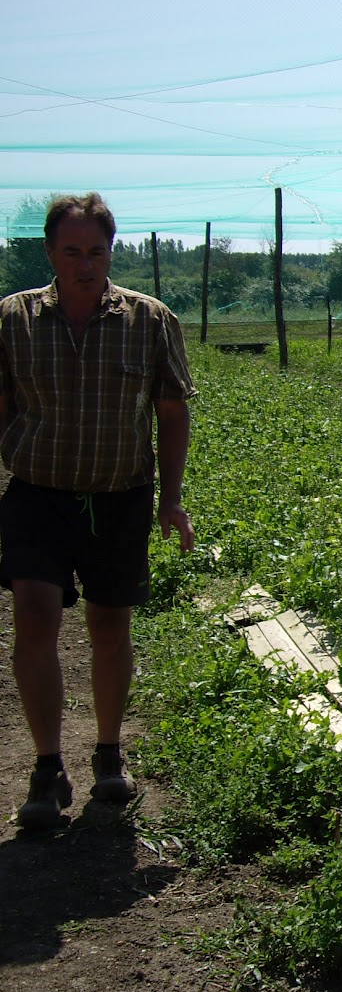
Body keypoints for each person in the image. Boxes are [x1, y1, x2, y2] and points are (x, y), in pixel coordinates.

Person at [1, 193, 196, 830]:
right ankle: (47, 765)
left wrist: (171, 499)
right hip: (38, 494)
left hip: (119, 497)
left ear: (112, 251)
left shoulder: (149, 319)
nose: (85, 264)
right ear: (50, 253)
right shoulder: (14, 319)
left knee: (109, 626)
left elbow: (171, 410)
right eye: (71, 252)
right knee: (33, 618)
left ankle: (108, 754)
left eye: (96, 251)